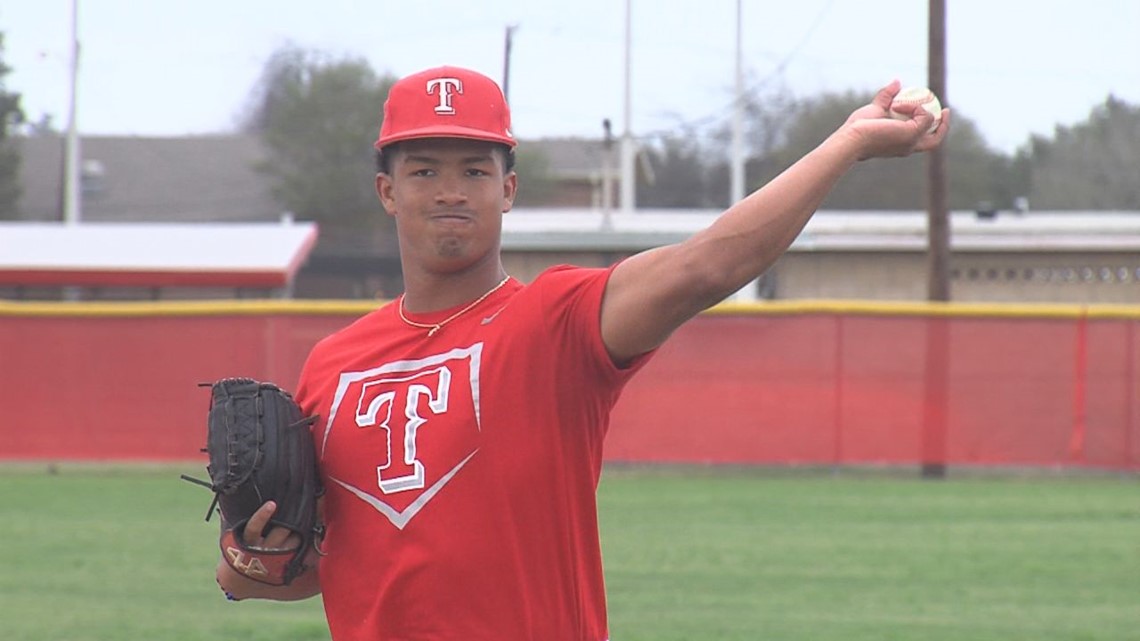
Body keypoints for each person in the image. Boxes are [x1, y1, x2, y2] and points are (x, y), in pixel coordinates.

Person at [215, 65, 949, 640]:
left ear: (509, 190)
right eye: (424, 168)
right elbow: (315, 566)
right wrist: (248, 560)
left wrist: (846, 143)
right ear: (386, 190)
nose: (450, 190)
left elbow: (706, 267)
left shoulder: (555, 321)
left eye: (473, 170)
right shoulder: (333, 365)